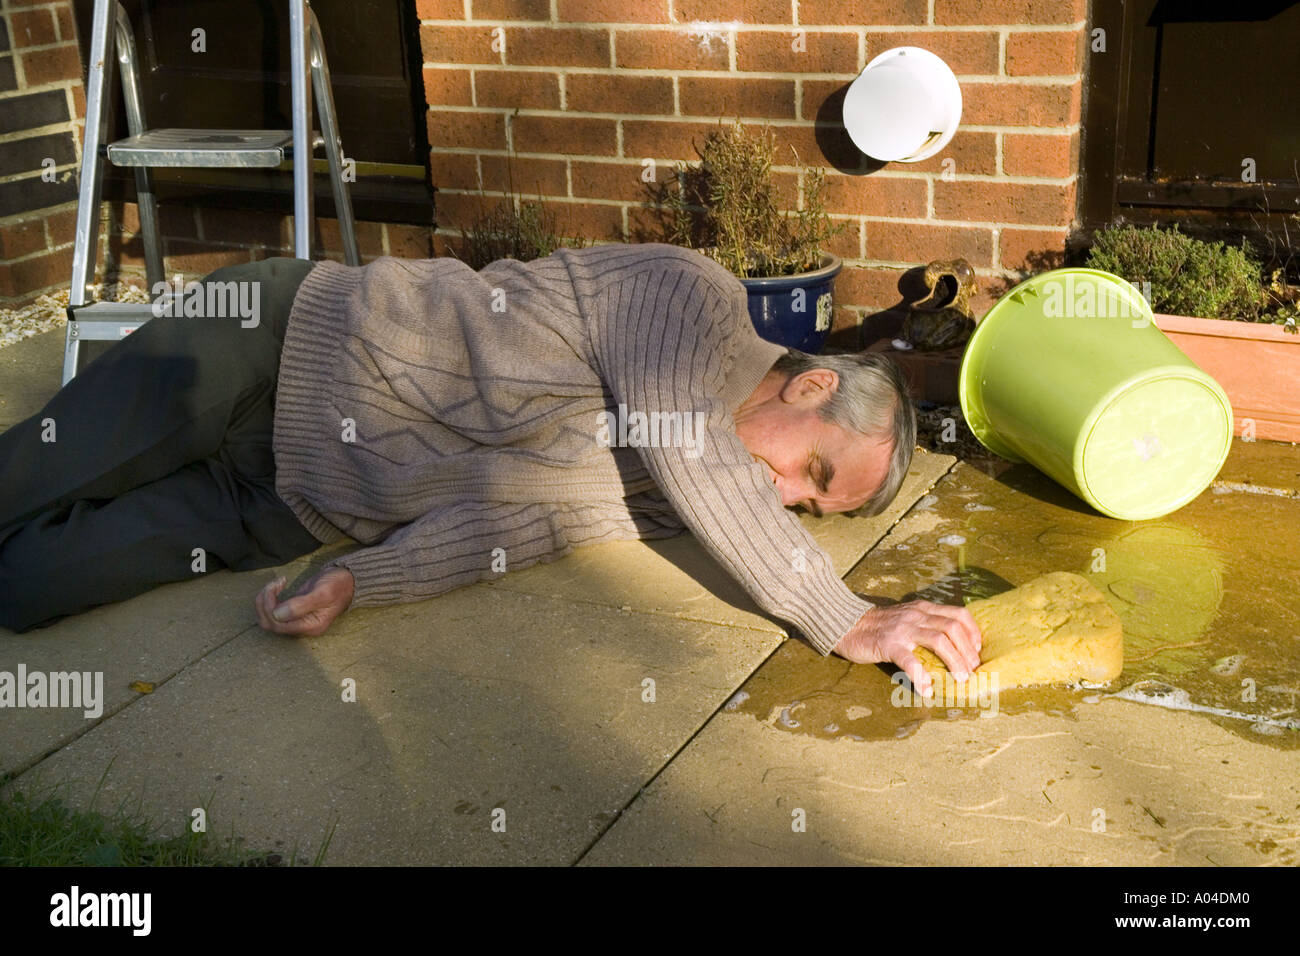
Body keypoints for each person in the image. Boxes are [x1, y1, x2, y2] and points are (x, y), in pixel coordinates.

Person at [0, 243, 980, 695]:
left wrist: (362, 576)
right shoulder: (687, 303)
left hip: (285, 500)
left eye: (808, 506)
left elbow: (521, 517)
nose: (783, 496)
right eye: (810, 470)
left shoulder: (664, 490)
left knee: (31, 582)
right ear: (806, 391)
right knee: (26, 479)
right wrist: (840, 614)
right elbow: (691, 440)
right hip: (272, 345)